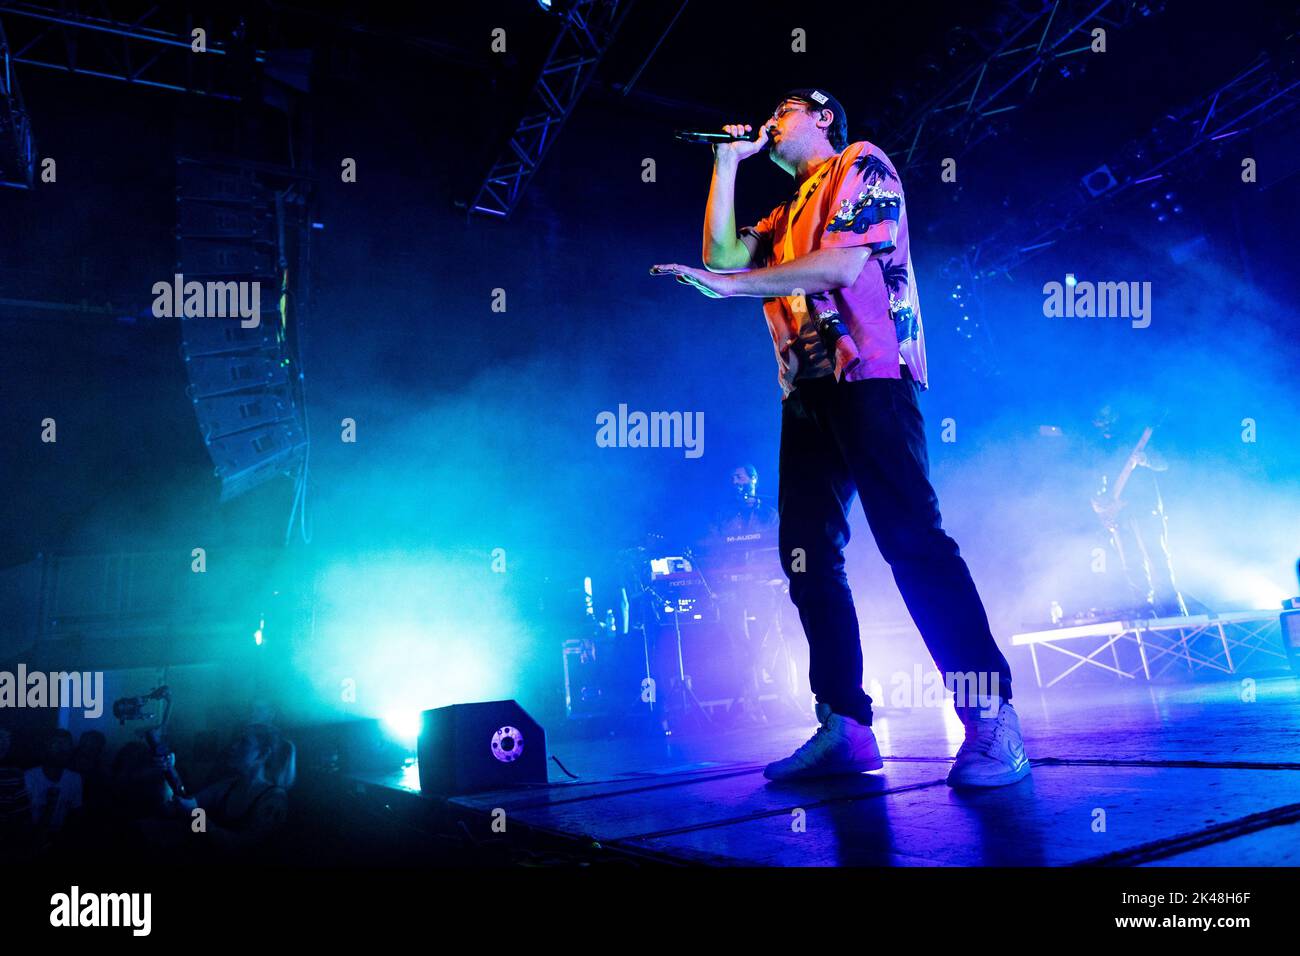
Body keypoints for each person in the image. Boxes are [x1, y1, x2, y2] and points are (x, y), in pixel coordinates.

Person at [651, 88, 1029, 787]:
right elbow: (726, 255)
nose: (769, 119)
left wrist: (728, 287)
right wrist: (728, 163)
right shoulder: (786, 209)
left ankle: (991, 717)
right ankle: (846, 725)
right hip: (806, 391)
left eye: (784, 110)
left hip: (871, 374)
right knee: (806, 555)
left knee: (913, 541)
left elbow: (840, 266)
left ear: (823, 116)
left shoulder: (863, 162)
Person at [1088, 404, 1188, 617]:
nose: (1104, 426)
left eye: (1107, 420)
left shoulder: (1135, 439)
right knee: (1130, 562)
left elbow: (1165, 463)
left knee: (1155, 556)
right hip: (1120, 513)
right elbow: (1098, 484)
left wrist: (1145, 460)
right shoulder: (1098, 449)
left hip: (1144, 507)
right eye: (1099, 422)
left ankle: (1170, 607)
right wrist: (1099, 504)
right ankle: (1143, 606)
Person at [23, 728, 83, 834]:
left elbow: (75, 813)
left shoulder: (75, 778)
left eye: (66, 744)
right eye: (56, 743)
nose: (61, 748)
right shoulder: (29, 777)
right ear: (46, 747)